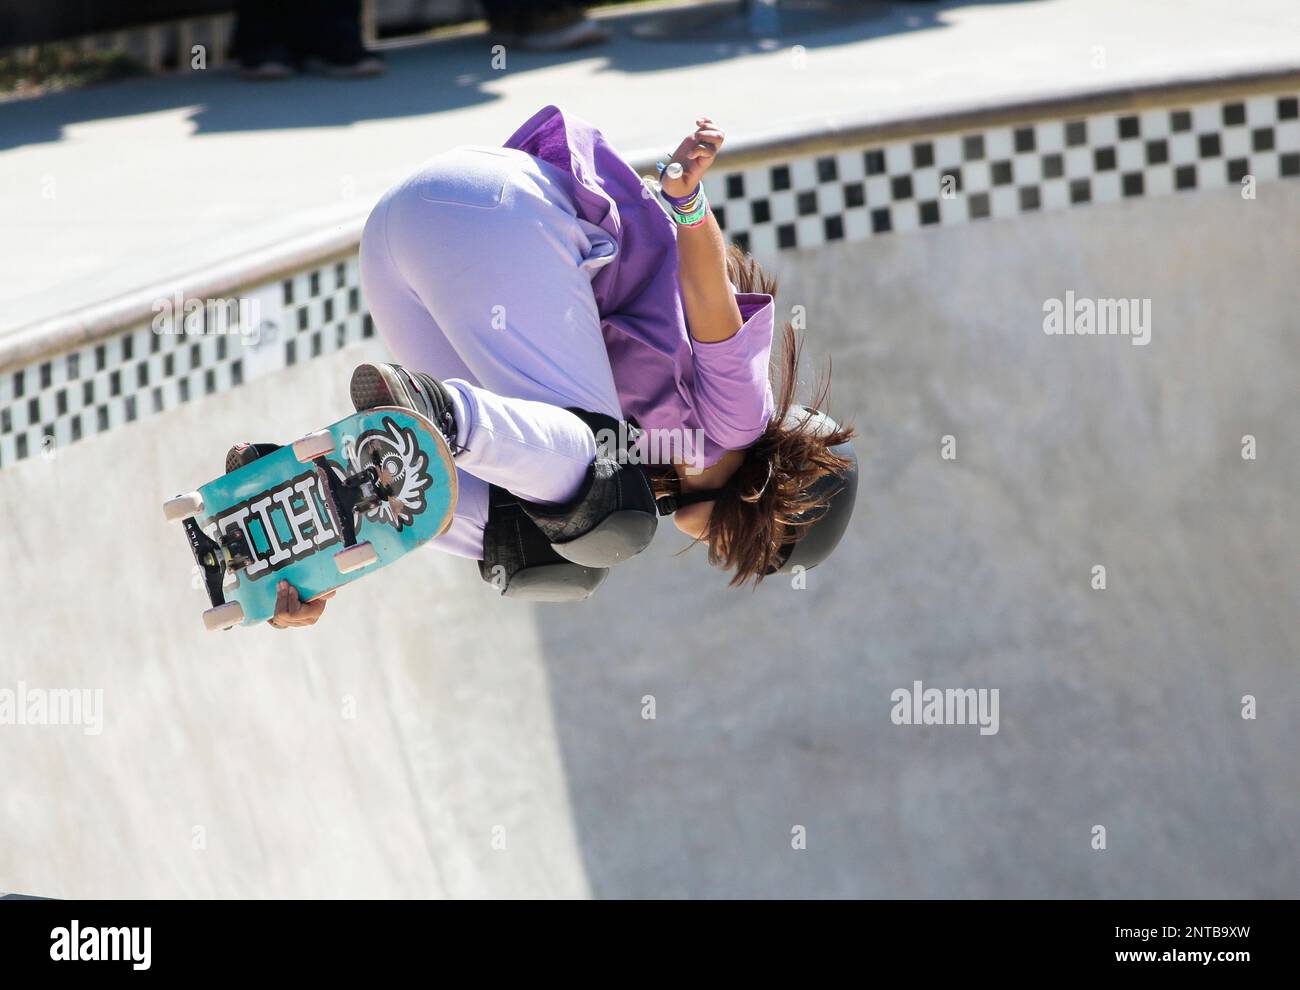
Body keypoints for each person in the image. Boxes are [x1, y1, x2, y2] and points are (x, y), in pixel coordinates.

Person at [247, 106, 857, 628]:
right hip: (498, 215)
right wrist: (689, 204)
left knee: (536, 538)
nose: (720, 554)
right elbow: (709, 302)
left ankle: (313, 511)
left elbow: (428, 490)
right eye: (748, 549)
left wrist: (328, 574)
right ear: (773, 499)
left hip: (399, 244)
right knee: (609, 504)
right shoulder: (739, 421)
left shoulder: (655, 459)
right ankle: (444, 412)